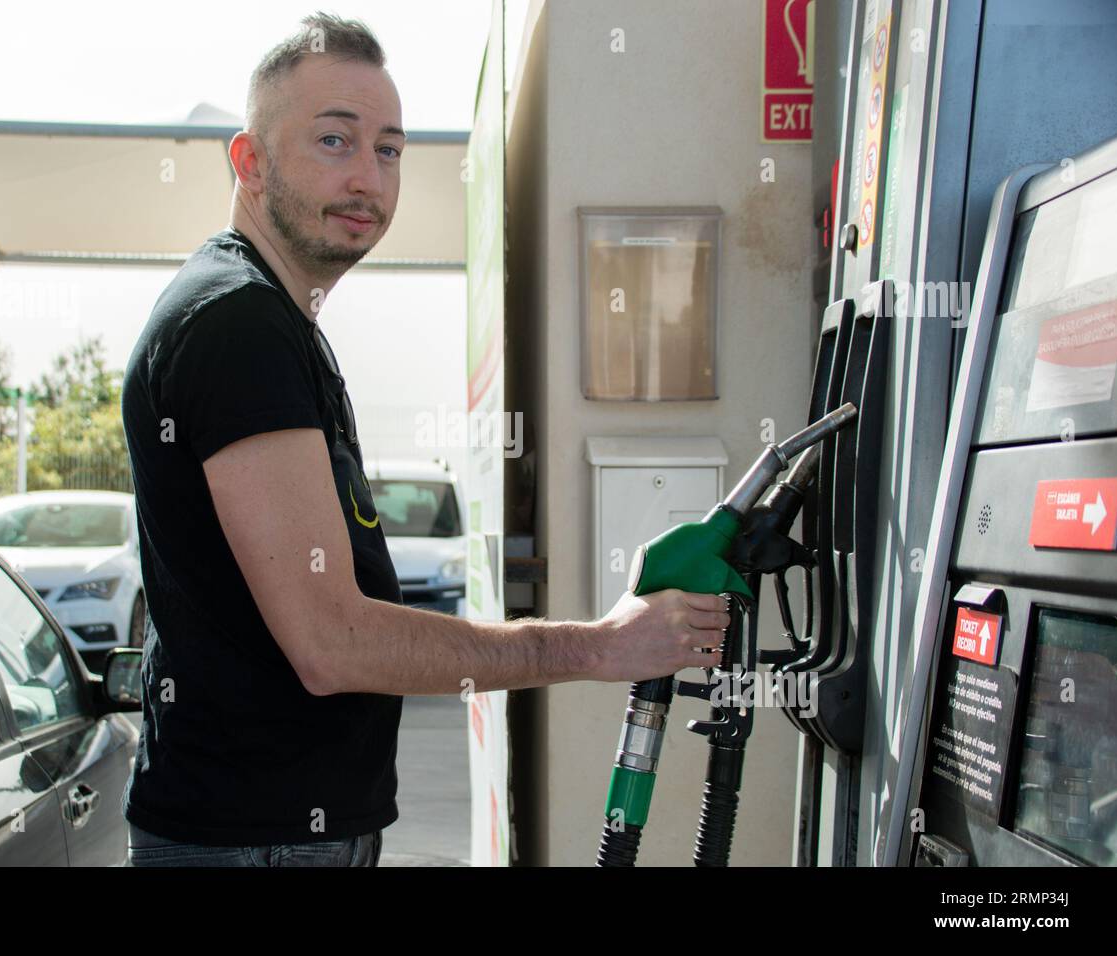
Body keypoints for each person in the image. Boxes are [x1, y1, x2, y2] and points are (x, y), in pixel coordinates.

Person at [120, 12, 728, 868]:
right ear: (249, 161)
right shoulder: (236, 323)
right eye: (335, 140)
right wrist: (599, 645)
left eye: (390, 149)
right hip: (256, 846)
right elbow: (334, 645)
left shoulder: (274, 318)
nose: (368, 177)